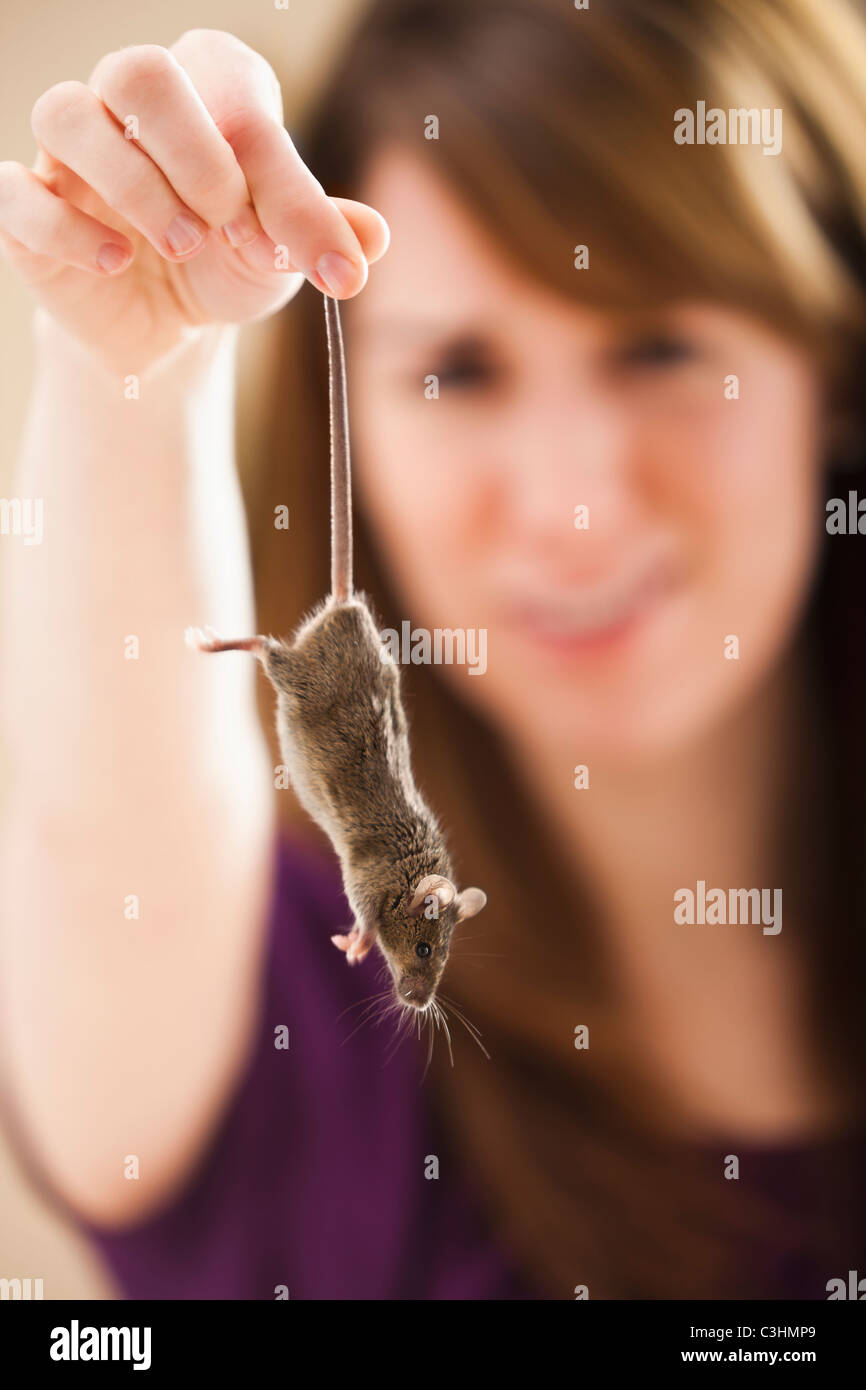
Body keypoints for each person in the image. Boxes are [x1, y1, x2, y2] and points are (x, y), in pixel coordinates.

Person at [1, 0, 865, 1300]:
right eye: (459, 371)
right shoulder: (259, 991)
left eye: (660, 347)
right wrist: (134, 359)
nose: (576, 506)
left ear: (832, 366)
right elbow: (93, 830)